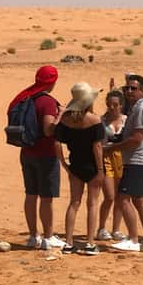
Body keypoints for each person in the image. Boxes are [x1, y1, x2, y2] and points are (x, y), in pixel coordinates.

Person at [9, 65, 67, 250]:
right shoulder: (46, 102)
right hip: (45, 154)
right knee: (46, 197)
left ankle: (34, 235)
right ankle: (48, 237)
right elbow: (48, 129)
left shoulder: (25, 96)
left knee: (31, 194)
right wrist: (61, 116)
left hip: (27, 152)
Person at [106, 74, 143, 253]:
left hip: (138, 160)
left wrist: (113, 148)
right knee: (139, 200)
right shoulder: (135, 108)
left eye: (133, 88)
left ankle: (134, 239)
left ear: (142, 90)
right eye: (127, 88)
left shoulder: (142, 109)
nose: (129, 91)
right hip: (138, 159)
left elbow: (137, 138)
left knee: (123, 199)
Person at [54, 83, 105, 256]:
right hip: (91, 165)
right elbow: (97, 147)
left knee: (74, 203)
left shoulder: (66, 120)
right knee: (92, 204)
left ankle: (68, 242)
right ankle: (90, 243)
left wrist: (64, 164)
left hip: (75, 164)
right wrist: (100, 170)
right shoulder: (94, 120)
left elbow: (56, 142)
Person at [97, 89, 126, 242]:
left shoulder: (126, 120)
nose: (112, 107)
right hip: (106, 158)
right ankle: (101, 227)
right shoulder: (101, 121)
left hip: (121, 159)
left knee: (121, 196)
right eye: (109, 104)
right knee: (109, 196)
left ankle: (116, 228)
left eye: (115, 105)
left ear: (121, 105)